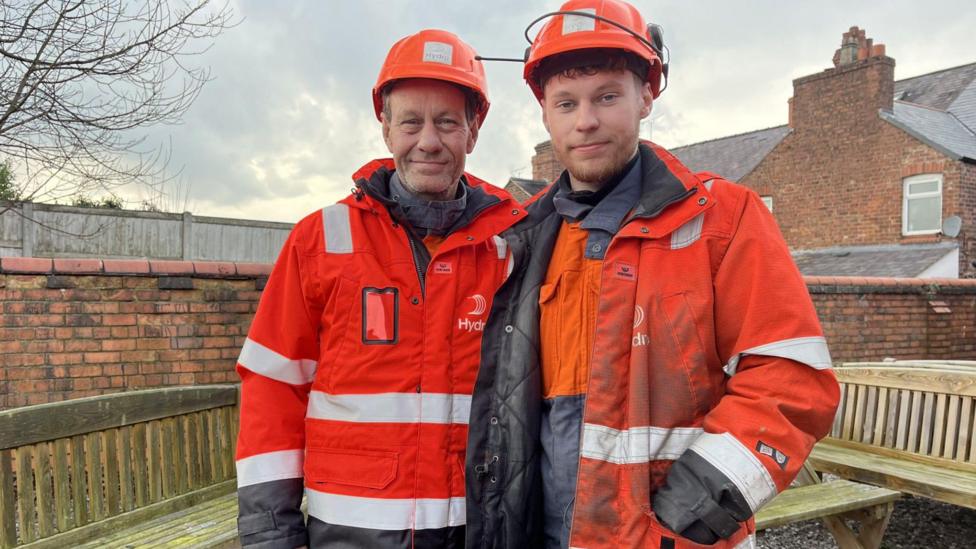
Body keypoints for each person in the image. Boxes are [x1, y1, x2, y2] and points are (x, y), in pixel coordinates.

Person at [464, 1, 841, 547]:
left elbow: (791, 381)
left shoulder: (723, 219)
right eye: (565, 102)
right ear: (545, 113)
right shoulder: (524, 238)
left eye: (607, 96)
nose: (585, 119)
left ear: (647, 95)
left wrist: (691, 511)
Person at [234, 29, 526, 548]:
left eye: (447, 122)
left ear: (473, 131)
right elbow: (272, 386)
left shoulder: (511, 247)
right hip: (350, 535)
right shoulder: (320, 240)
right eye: (411, 121)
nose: (429, 141)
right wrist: (268, 534)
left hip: (478, 533)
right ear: (385, 127)